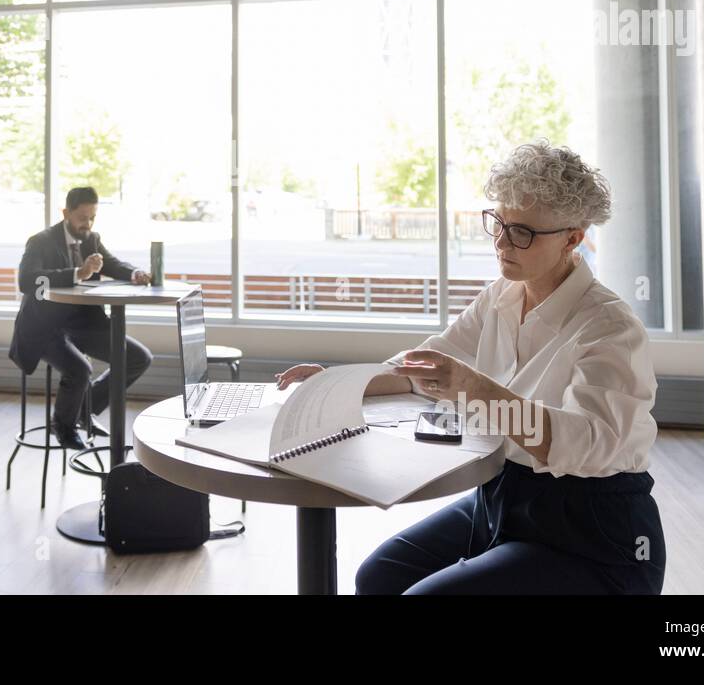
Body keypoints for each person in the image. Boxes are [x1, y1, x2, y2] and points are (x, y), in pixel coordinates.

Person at [276, 140, 666, 594]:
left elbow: (589, 447)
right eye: (497, 223)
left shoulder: (609, 327)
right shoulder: (502, 296)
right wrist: (339, 382)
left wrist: (474, 388)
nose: (502, 242)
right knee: (378, 576)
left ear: (573, 238)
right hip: (506, 496)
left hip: (593, 534)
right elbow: (428, 366)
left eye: (522, 232)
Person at [8, 186, 153, 449]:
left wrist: (135, 274)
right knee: (79, 369)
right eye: (82, 218)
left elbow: (111, 263)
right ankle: (62, 427)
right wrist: (77, 273)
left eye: (92, 218)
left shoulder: (91, 238)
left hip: (82, 323)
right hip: (45, 326)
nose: (87, 224)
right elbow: (27, 281)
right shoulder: (40, 241)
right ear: (66, 213)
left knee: (138, 358)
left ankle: (84, 410)